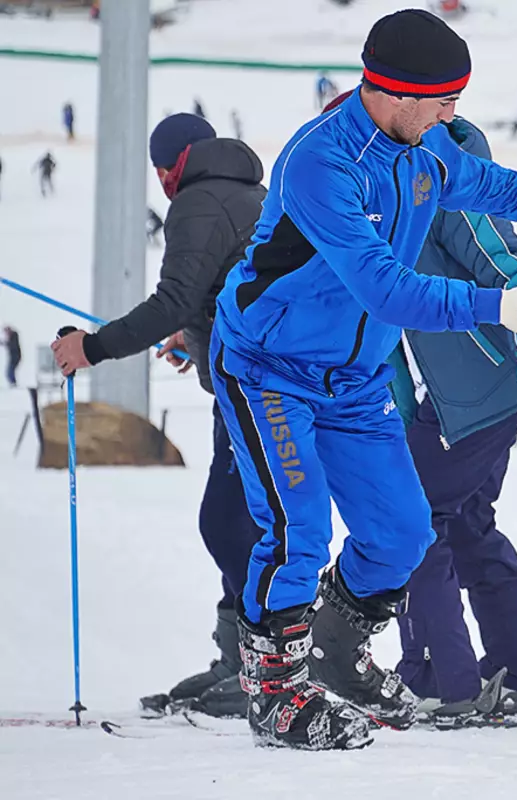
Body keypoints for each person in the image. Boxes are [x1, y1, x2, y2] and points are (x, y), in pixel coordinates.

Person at [192, 9, 517, 751]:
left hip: (355, 377)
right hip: (271, 368)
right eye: (443, 102)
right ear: (395, 93)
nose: (451, 115)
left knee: (401, 535)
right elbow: (388, 290)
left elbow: (484, 182)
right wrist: (505, 305)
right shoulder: (321, 164)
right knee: (297, 529)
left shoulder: (422, 147)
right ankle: (274, 693)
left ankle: (333, 646)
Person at [346, 109, 517, 726]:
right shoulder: (378, 192)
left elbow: (516, 271)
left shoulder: (441, 180)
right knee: (467, 525)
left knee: (415, 528)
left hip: (470, 401)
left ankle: (443, 679)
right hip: (435, 404)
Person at [50, 113, 269, 720]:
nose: (161, 181)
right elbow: (223, 291)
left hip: (257, 386)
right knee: (241, 521)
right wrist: (193, 337)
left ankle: (262, 664)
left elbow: (174, 295)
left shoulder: (199, 202)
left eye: (160, 169)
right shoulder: (244, 190)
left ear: (180, 161)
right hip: (251, 380)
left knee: (231, 523)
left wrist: (90, 348)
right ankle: (239, 661)